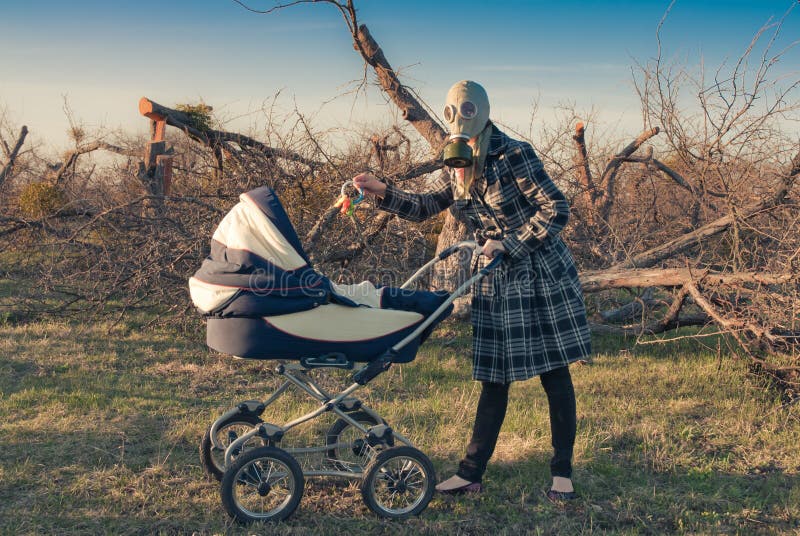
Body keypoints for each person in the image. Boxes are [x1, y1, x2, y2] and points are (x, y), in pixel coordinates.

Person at [353, 80, 591, 501]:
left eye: (465, 112)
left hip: (537, 272)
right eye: (450, 113)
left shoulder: (514, 154)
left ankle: (562, 472)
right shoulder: (456, 160)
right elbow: (427, 206)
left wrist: (511, 242)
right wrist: (383, 192)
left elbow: (557, 209)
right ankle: (470, 472)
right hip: (497, 278)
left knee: (555, 373)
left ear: (481, 111)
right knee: (493, 377)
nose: (457, 121)